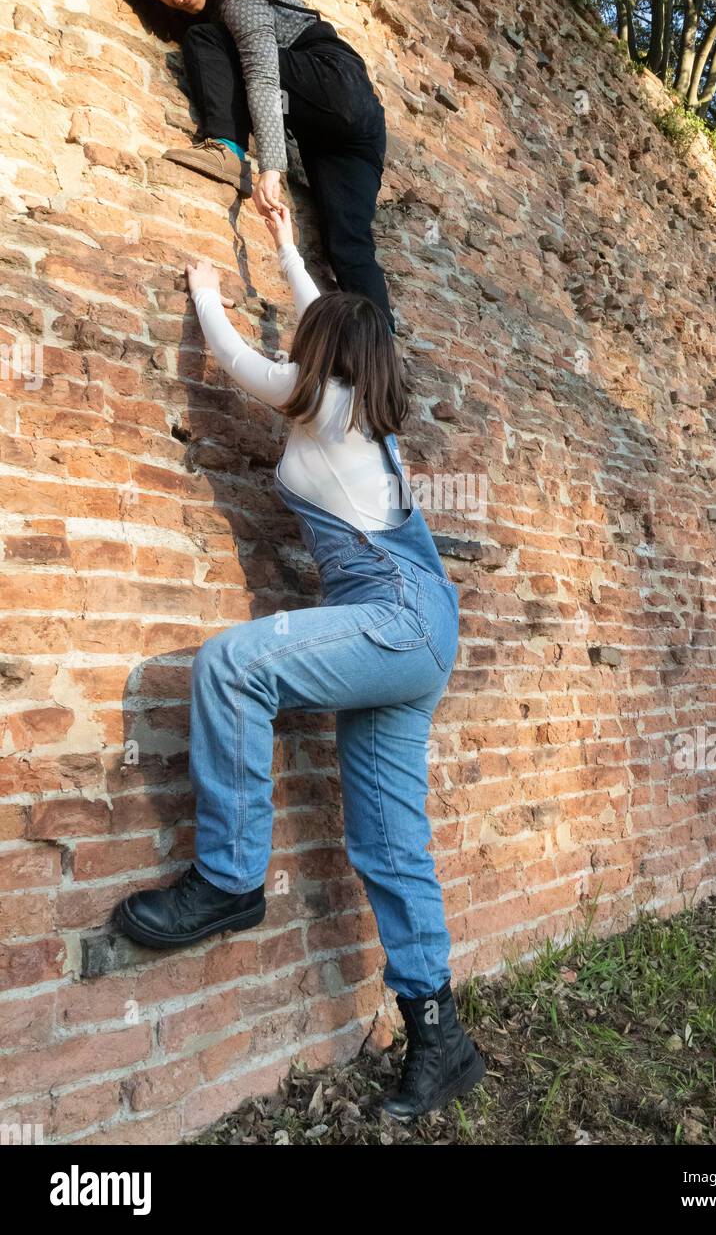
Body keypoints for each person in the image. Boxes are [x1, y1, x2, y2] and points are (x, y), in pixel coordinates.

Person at [113, 206, 484, 1120]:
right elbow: (328, 312)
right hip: (420, 633)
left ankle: (231, 881)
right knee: (391, 841)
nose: (307, 343)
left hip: (392, 619)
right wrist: (283, 244)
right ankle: (441, 1040)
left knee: (233, 667)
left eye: (313, 343)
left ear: (327, 359)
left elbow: (245, 364)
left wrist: (205, 292)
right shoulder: (365, 409)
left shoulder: (321, 401)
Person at [119, 0, 394, 331]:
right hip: (350, 130)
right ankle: (382, 370)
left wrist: (270, 167)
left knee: (206, 37)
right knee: (350, 248)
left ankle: (226, 148)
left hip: (334, 83)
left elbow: (264, 76)